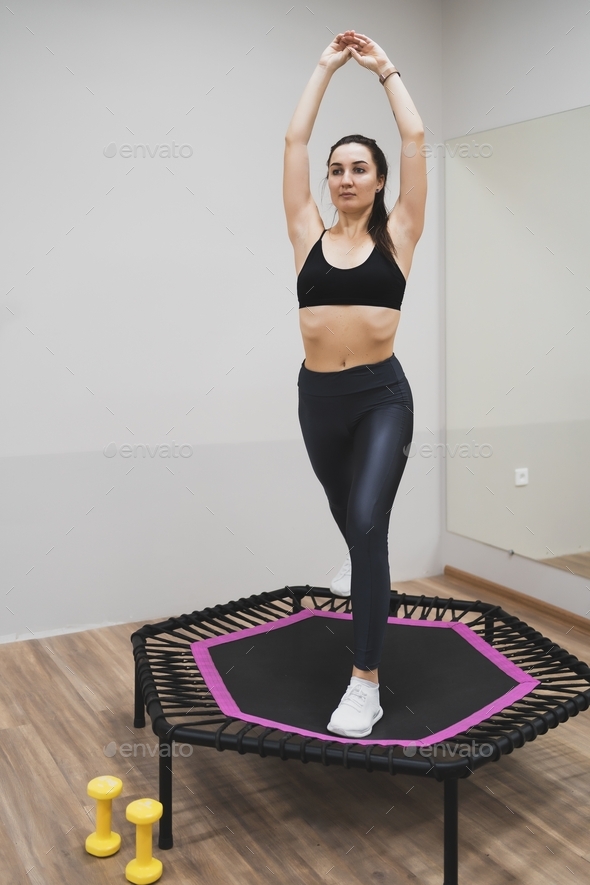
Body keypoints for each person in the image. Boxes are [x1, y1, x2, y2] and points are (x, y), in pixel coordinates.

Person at [283, 31, 427, 738]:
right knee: (353, 523)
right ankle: (361, 561)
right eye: (336, 168)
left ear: (377, 180)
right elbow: (292, 143)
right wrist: (322, 68)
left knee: (369, 522)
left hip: (380, 400)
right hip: (319, 402)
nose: (343, 177)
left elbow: (417, 136)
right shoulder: (306, 230)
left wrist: (381, 71)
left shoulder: (399, 234)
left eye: (358, 168)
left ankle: (363, 683)